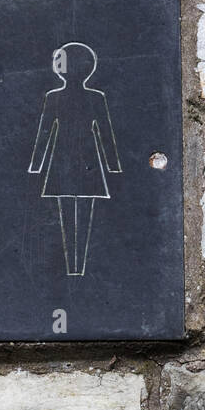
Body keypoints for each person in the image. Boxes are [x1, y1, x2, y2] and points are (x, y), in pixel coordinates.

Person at [28, 42, 122, 276]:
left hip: (64, 159)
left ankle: (75, 270)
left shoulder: (57, 97)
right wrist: (112, 166)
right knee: (79, 212)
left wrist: (37, 166)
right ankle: (75, 270)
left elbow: (45, 134)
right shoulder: (88, 97)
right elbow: (105, 135)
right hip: (83, 159)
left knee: (69, 213)